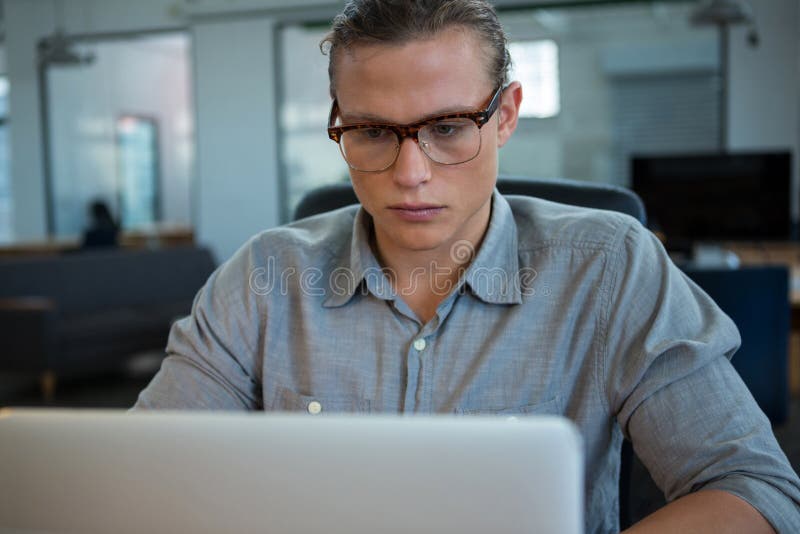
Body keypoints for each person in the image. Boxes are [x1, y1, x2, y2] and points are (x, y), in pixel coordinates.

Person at [134, 1, 800, 531]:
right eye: (372, 133)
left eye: (448, 128)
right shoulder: (263, 279)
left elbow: (752, 490)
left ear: (504, 116)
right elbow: (139, 475)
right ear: (339, 125)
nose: (411, 174)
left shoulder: (609, 267)